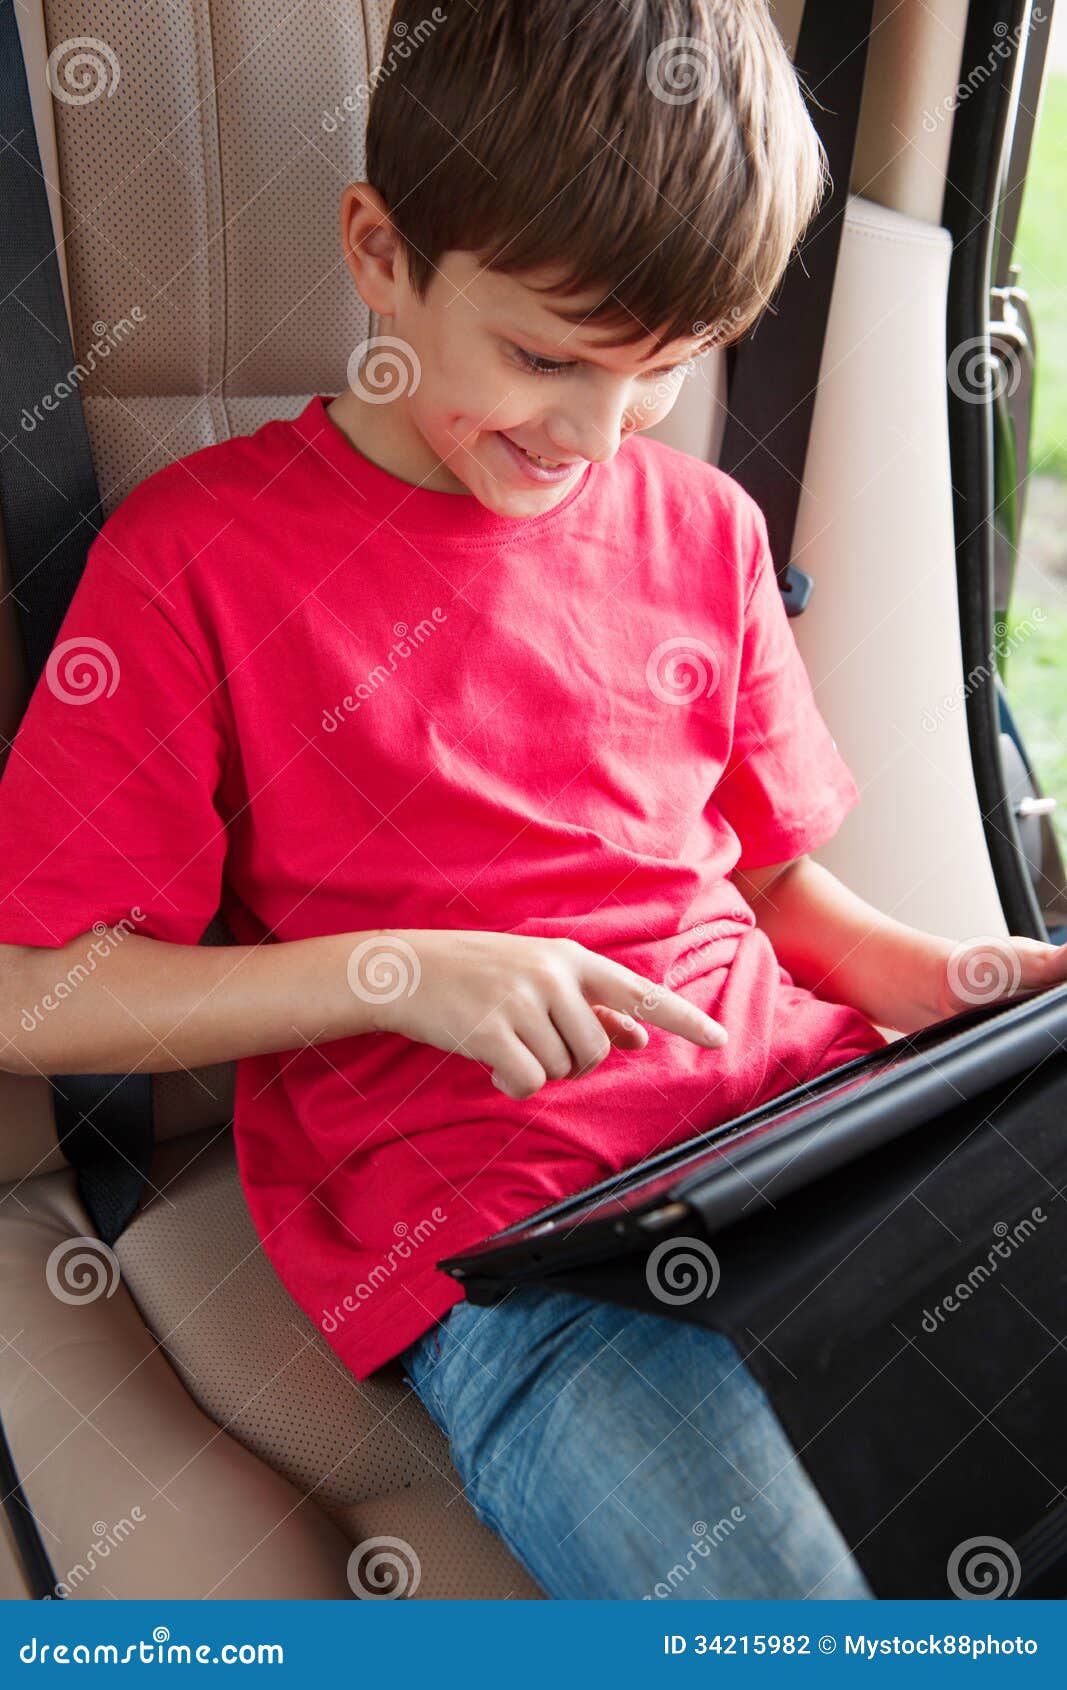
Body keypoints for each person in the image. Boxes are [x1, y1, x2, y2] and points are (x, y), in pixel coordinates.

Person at [1, 0, 1063, 1601]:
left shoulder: (704, 527)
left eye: (661, 368)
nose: (596, 432)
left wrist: (959, 983)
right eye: (546, 357)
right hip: (532, 1255)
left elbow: (772, 888)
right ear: (381, 254)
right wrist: (396, 972)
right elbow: (34, 994)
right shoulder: (197, 563)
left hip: (818, 1136)